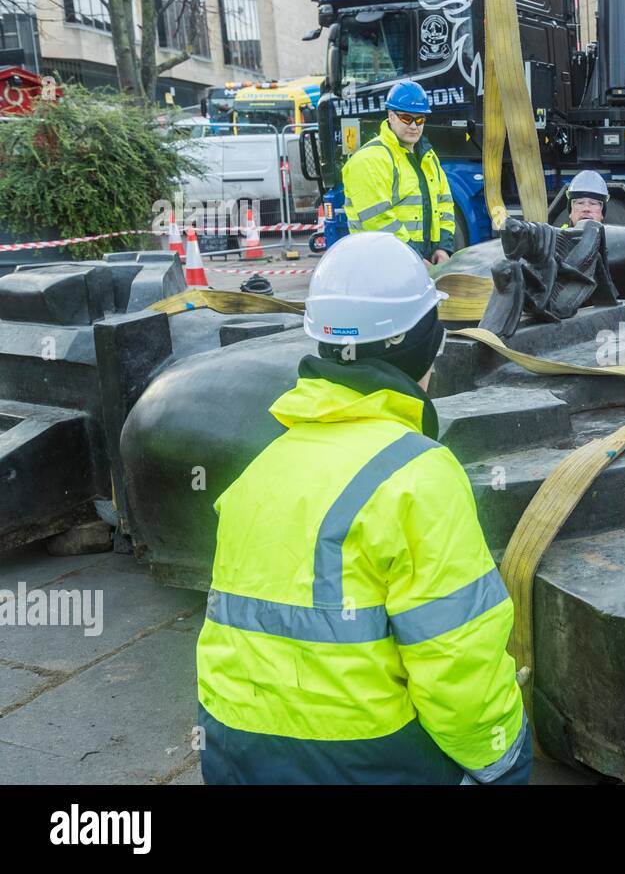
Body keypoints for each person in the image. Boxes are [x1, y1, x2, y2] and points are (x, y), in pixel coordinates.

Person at [195, 231, 530, 785]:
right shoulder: (419, 475)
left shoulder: (262, 468)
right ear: (426, 347)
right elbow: (456, 663)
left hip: (230, 749)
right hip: (359, 760)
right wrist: (501, 755)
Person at [343, 80, 456, 264]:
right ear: (391, 116)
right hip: (380, 263)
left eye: (419, 119)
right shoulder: (370, 159)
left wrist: (442, 247)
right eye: (406, 118)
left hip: (415, 261)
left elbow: (444, 204)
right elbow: (377, 219)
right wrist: (413, 257)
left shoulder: (428, 157)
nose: (414, 125)